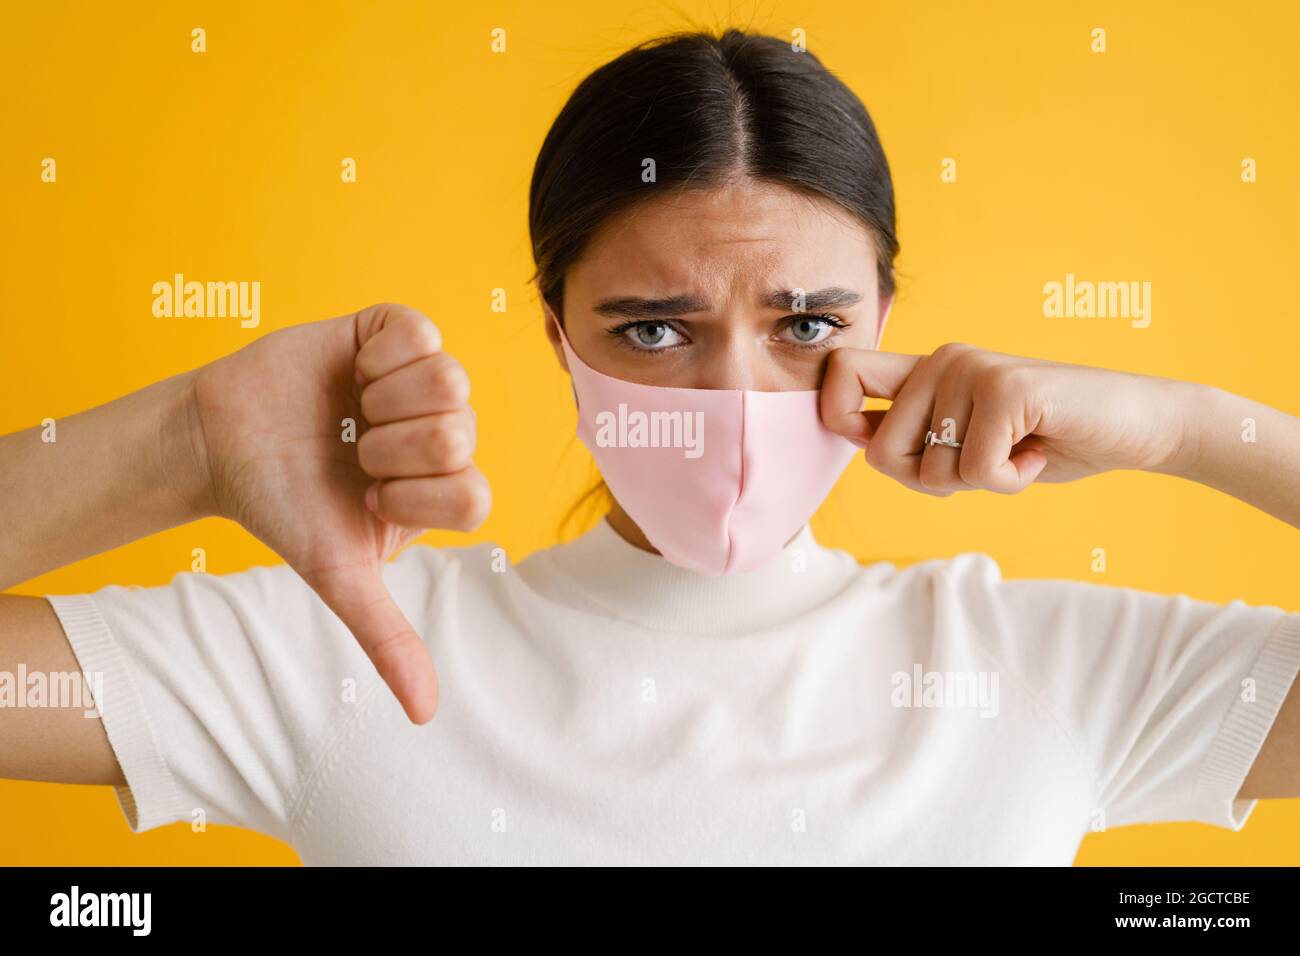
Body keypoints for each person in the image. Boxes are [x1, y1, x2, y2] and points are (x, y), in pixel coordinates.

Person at [1, 28, 1297, 865]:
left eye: (804, 323)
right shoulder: (351, 653)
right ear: (559, 335)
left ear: (887, 326)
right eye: (656, 330)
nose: (739, 394)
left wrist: (1184, 426)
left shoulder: (1039, 669)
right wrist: (184, 443)